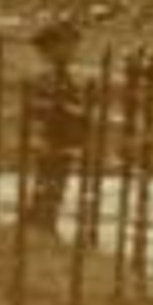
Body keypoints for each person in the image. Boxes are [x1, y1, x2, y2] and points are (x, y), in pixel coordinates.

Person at [26, 15, 89, 231]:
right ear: (52, 49)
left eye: (73, 46)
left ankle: (46, 218)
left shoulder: (67, 78)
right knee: (48, 178)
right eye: (67, 46)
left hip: (64, 136)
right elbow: (40, 106)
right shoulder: (48, 78)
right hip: (50, 135)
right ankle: (41, 218)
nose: (73, 51)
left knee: (57, 179)